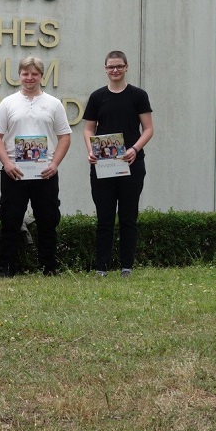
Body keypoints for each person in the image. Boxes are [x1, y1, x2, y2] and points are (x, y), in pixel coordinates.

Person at [0, 56, 72, 276]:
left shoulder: (53, 104)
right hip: (14, 172)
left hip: (45, 173)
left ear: (41, 76)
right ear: (19, 75)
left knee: (48, 220)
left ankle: (49, 266)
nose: (29, 78)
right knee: (10, 220)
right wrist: (6, 163)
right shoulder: (8, 103)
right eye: (25, 74)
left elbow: (64, 136)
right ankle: (6, 267)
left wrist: (55, 164)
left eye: (34, 74)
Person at [83, 50, 154, 277]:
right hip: (102, 165)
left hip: (132, 164)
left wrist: (135, 149)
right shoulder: (97, 97)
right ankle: (101, 268)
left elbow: (149, 129)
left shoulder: (138, 95)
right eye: (111, 67)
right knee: (104, 218)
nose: (115, 70)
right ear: (105, 69)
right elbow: (88, 129)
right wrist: (90, 151)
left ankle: (127, 267)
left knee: (128, 217)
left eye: (119, 66)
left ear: (126, 67)